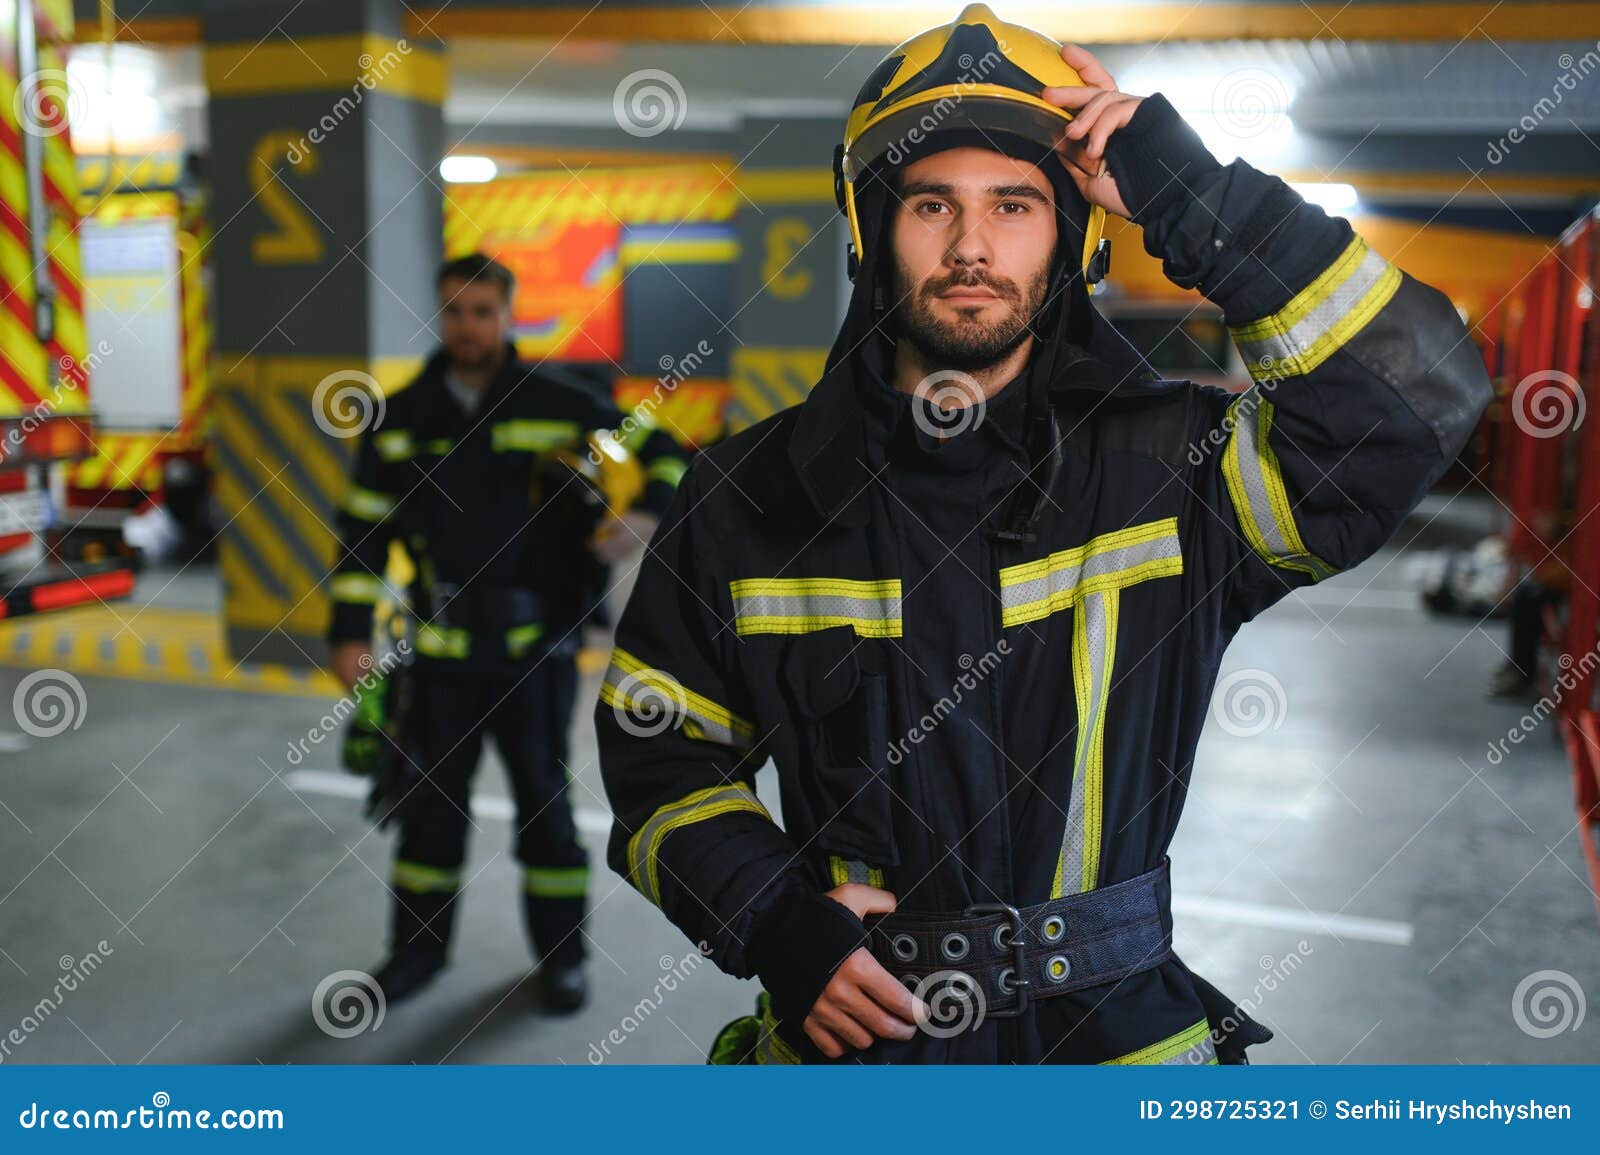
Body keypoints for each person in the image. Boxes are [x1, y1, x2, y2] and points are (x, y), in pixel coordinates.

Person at [596, 5, 1493, 1063]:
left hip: (1118, 1053)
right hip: (860, 1051)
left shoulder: (1179, 470)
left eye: (1015, 205)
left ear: (1074, 233)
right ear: (870, 227)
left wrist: (1192, 196)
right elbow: (661, 760)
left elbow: (1416, 397)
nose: (972, 247)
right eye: (932, 203)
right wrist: (773, 920)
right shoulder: (747, 494)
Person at [327, 253, 688, 1011]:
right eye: (455, 310)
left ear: (507, 313)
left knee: (545, 813)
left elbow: (661, 451)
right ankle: (416, 956)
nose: (468, 326)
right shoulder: (401, 419)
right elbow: (362, 535)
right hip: (440, 657)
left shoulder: (561, 402)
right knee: (429, 815)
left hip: (536, 656)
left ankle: (562, 962)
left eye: (483, 311)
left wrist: (641, 516)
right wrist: (349, 632)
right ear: (439, 311)